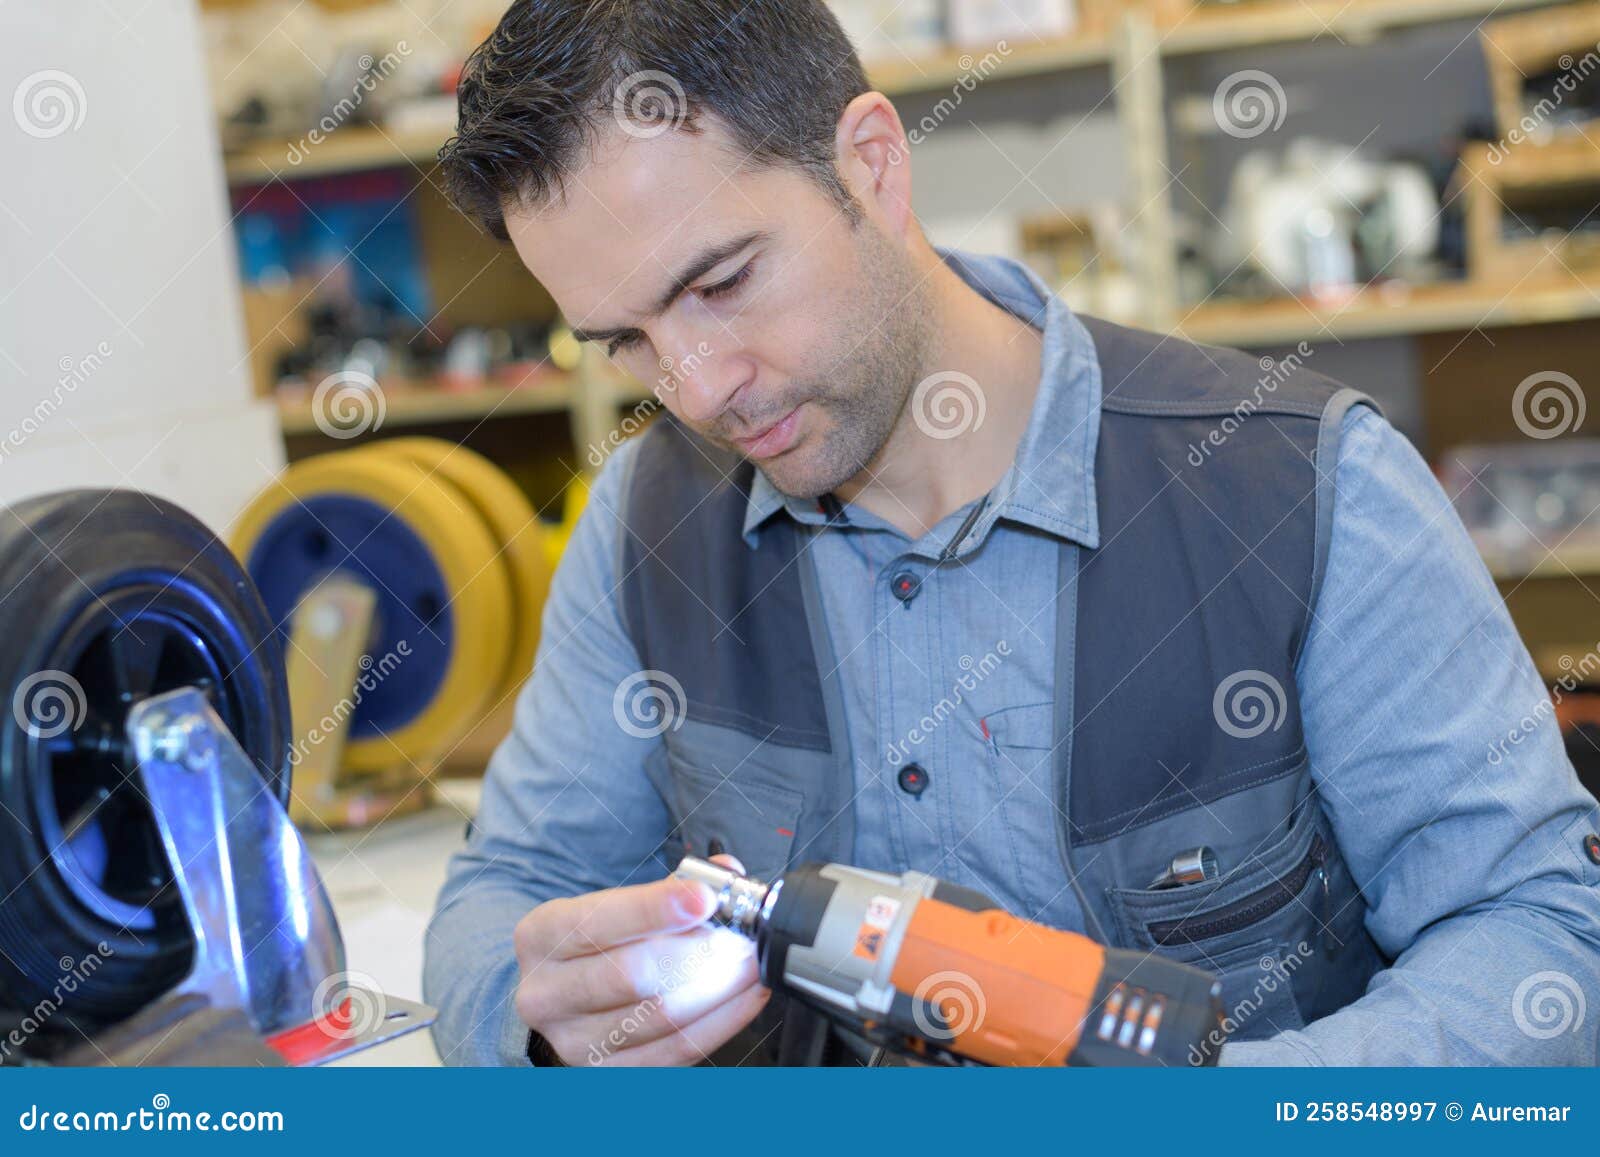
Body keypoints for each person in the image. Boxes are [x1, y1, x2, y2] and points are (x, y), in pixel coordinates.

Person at [423, 0, 1600, 1067]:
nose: (697, 386)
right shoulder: (646, 524)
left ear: (872, 165)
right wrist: (544, 1024)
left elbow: (1542, 931)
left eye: (721, 282)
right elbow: (511, 888)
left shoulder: (1301, 486)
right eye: (620, 340)